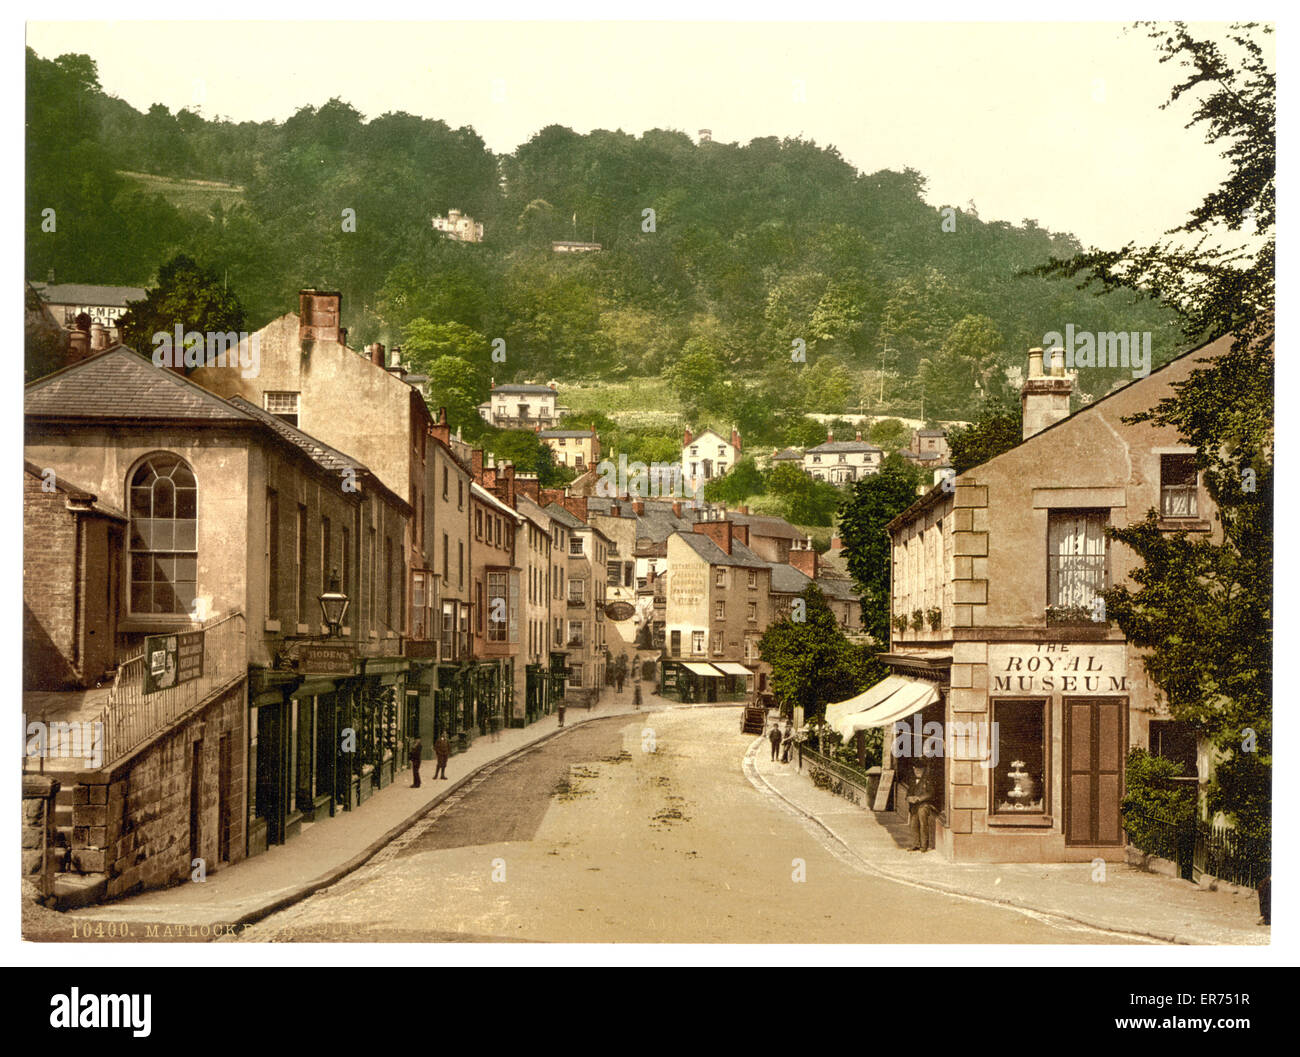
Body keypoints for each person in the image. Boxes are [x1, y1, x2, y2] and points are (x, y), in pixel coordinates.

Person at [906, 761, 938, 852]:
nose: (917, 771)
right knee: (913, 823)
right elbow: (908, 792)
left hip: (924, 804)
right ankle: (915, 844)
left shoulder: (928, 780)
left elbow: (931, 793)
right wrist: (909, 798)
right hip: (914, 805)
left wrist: (919, 798)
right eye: (916, 769)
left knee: (923, 821)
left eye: (919, 769)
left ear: (924, 770)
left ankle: (924, 845)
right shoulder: (912, 780)